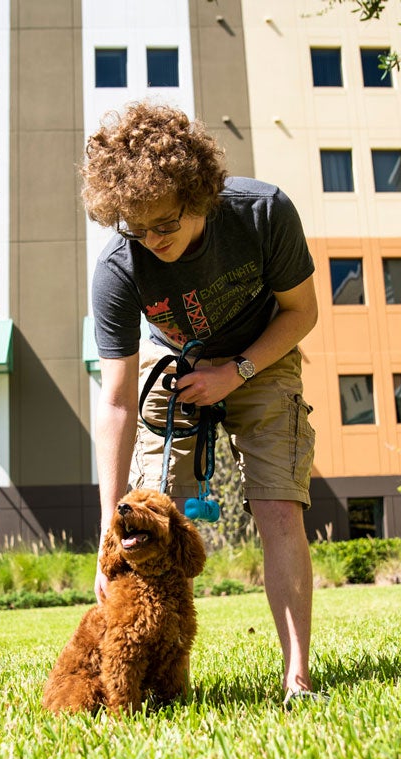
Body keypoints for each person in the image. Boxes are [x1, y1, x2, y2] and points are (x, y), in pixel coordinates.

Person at [82, 101, 323, 707]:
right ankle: (146, 680)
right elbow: (115, 399)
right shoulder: (118, 266)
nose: (152, 241)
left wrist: (236, 372)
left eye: (164, 223)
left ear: (199, 196)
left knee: (278, 507)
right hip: (181, 369)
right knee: (148, 519)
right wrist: (110, 522)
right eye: (136, 229)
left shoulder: (262, 212)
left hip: (261, 356)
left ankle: (298, 679)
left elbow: (303, 312)